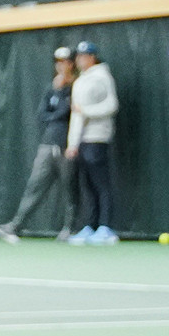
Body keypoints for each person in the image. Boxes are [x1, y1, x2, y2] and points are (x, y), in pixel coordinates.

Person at [0, 48, 77, 243]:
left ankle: (70, 229)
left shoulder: (76, 87)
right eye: (58, 62)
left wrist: (59, 106)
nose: (61, 66)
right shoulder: (51, 88)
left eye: (65, 62)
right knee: (34, 186)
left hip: (67, 145)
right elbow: (42, 114)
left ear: (72, 64)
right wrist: (56, 101)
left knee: (71, 188)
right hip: (47, 145)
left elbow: (66, 113)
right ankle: (15, 227)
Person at [66, 41, 119, 245]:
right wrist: (72, 144)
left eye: (83, 56)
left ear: (92, 57)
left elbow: (112, 105)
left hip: (98, 138)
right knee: (87, 185)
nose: (80, 60)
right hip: (82, 142)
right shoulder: (80, 81)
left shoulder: (103, 76)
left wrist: (87, 111)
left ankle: (106, 228)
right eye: (78, 57)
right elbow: (75, 116)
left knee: (100, 184)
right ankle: (91, 226)